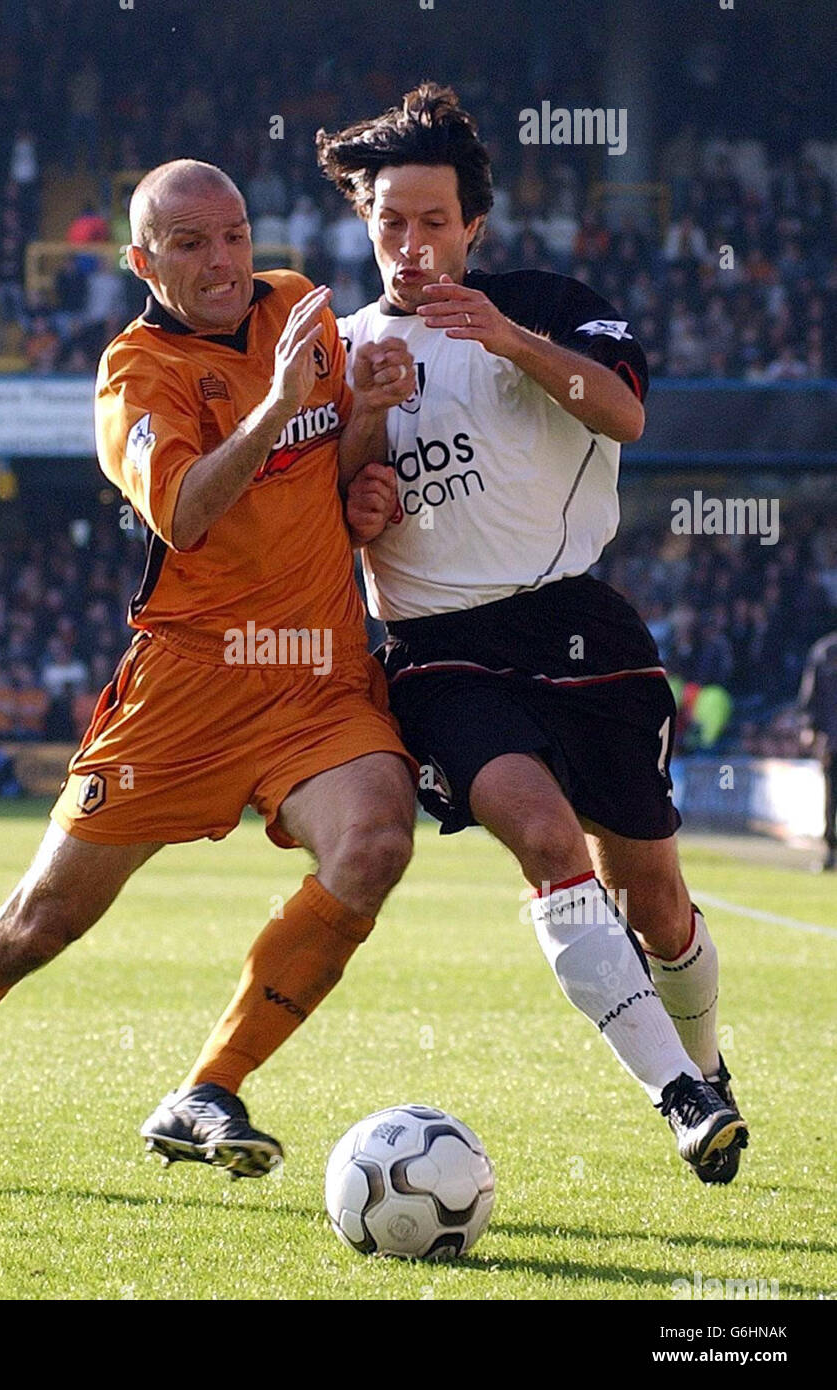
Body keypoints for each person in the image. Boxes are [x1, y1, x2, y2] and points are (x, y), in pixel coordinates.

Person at [0, 158, 417, 1186]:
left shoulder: (299, 309)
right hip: (185, 690)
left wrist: (364, 422)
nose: (220, 261)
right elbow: (186, 511)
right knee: (35, 925)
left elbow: (324, 478)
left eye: (233, 234)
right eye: (189, 244)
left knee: (375, 839)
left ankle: (210, 1084)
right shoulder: (133, 373)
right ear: (140, 260)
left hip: (312, 679)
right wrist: (285, 398)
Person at [321, 84, 748, 1182]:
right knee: (542, 839)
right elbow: (324, 504)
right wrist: (362, 430)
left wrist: (505, 337)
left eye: (431, 223)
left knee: (651, 895)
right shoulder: (335, 347)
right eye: (389, 225)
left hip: (575, 626)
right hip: (438, 650)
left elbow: (621, 412)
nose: (411, 248)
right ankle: (676, 1096)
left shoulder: (549, 303)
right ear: (364, 227)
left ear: (472, 225)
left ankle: (705, 1069)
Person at [797, 630, 837, 871]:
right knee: (831, 798)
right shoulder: (825, 651)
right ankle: (830, 850)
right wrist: (811, 728)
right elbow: (811, 695)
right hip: (832, 739)